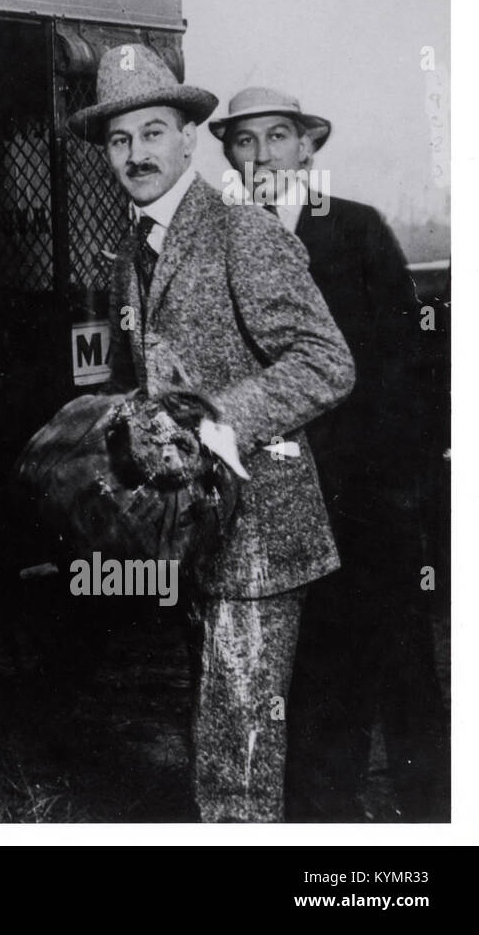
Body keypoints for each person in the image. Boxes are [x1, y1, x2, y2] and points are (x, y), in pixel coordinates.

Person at [67, 45, 355, 822]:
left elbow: (328, 364)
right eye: (120, 140)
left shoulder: (240, 233)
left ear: (190, 137)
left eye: (153, 133)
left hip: (263, 535)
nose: (136, 154)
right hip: (199, 537)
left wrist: (216, 424)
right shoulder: (135, 249)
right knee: (222, 742)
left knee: (241, 763)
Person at [212, 88, 448, 820]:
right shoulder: (230, 241)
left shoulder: (356, 229)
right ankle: (330, 823)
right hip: (286, 496)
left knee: (404, 661)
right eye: (245, 144)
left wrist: (401, 486)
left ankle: (433, 807)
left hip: (370, 494)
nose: (262, 156)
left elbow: (407, 364)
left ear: (307, 148)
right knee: (320, 667)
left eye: (277, 138)